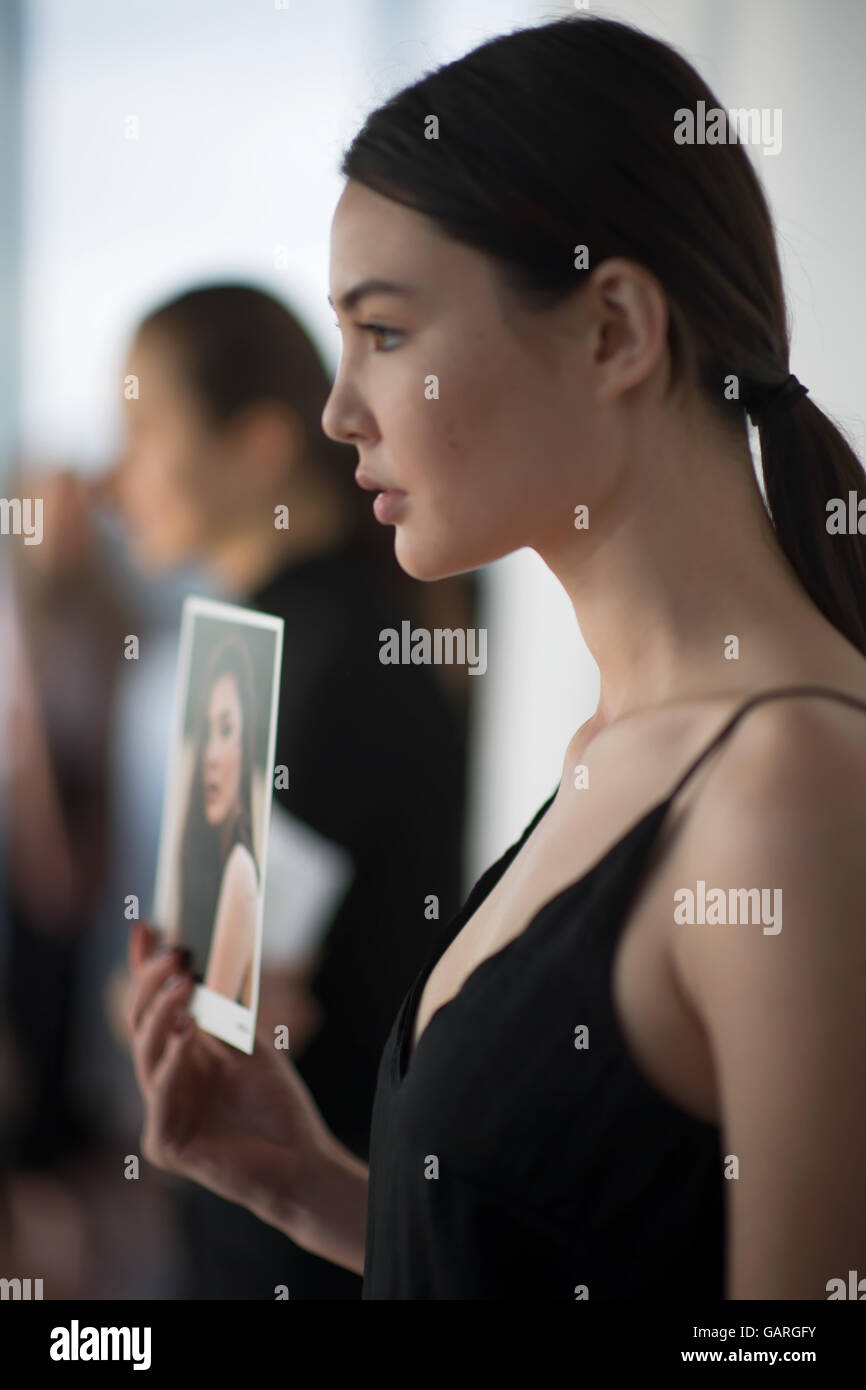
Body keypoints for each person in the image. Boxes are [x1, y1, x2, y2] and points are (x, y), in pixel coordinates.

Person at [127, 15, 866, 1300]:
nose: (336, 409)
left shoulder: (783, 787)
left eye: (388, 333)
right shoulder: (619, 747)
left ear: (611, 330)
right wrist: (307, 1184)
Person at [110, 284, 472, 1298]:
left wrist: (134, 1002)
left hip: (304, 1239)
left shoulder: (302, 661)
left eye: (142, 431)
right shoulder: (297, 634)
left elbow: (224, 1012)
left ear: (259, 445)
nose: (113, 475)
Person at [176, 633, 260, 1008]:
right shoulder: (203, 852)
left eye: (226, 731)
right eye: (208, 731)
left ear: (247, 746)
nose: (210, 754)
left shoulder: (240, 870)